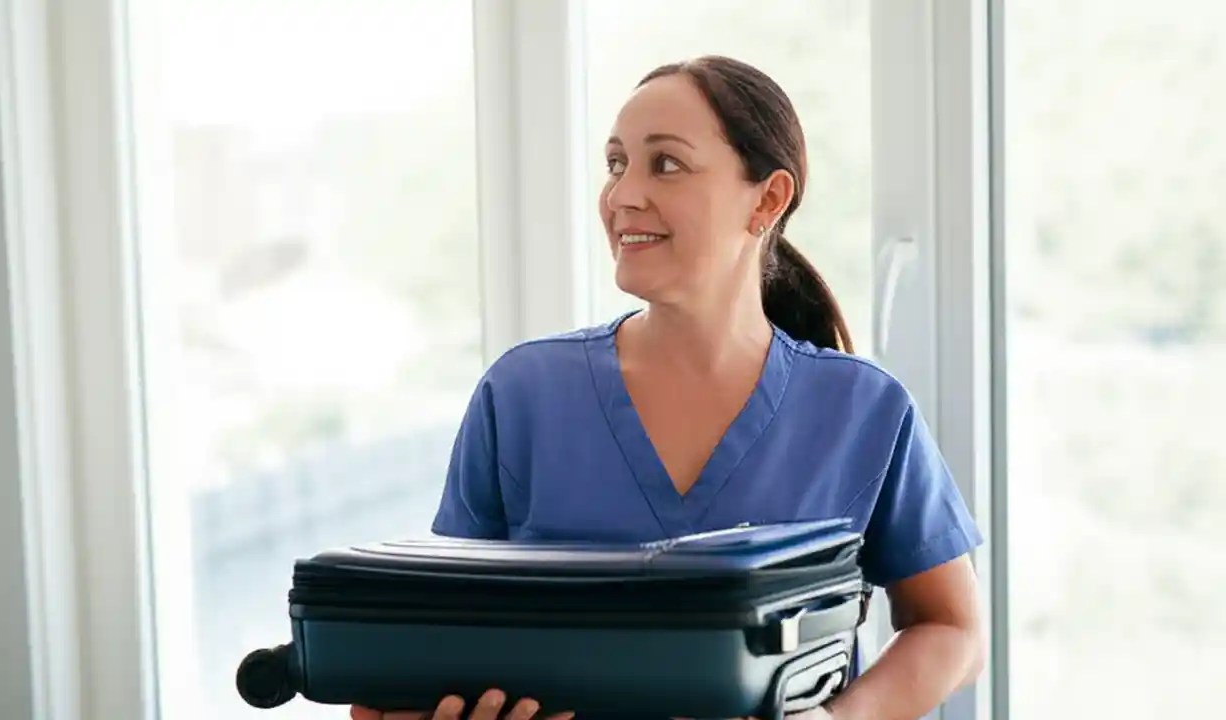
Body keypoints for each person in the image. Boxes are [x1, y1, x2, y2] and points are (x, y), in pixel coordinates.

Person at [352, 55, 984, 720]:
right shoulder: (524, 397)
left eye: (667, 164)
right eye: (617, 163)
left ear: (766, 199)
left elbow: (951, 629)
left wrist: (838, 719)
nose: (622, 195)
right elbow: (429, 643)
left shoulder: (863, 411)